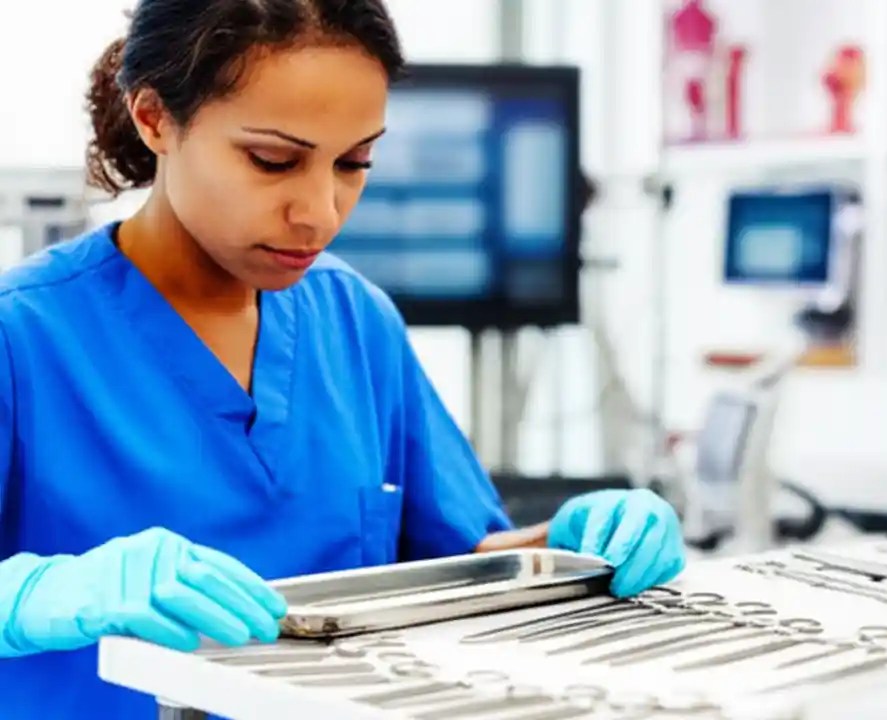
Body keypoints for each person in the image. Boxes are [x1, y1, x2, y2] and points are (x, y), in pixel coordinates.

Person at [0, 1, 686, 717]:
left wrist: (575, 546)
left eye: (355, 162)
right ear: (154, 119)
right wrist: (37, 597)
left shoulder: (354, 320)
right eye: (273, 161)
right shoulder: (23, 337)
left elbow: (454, 561)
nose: (321, 212)